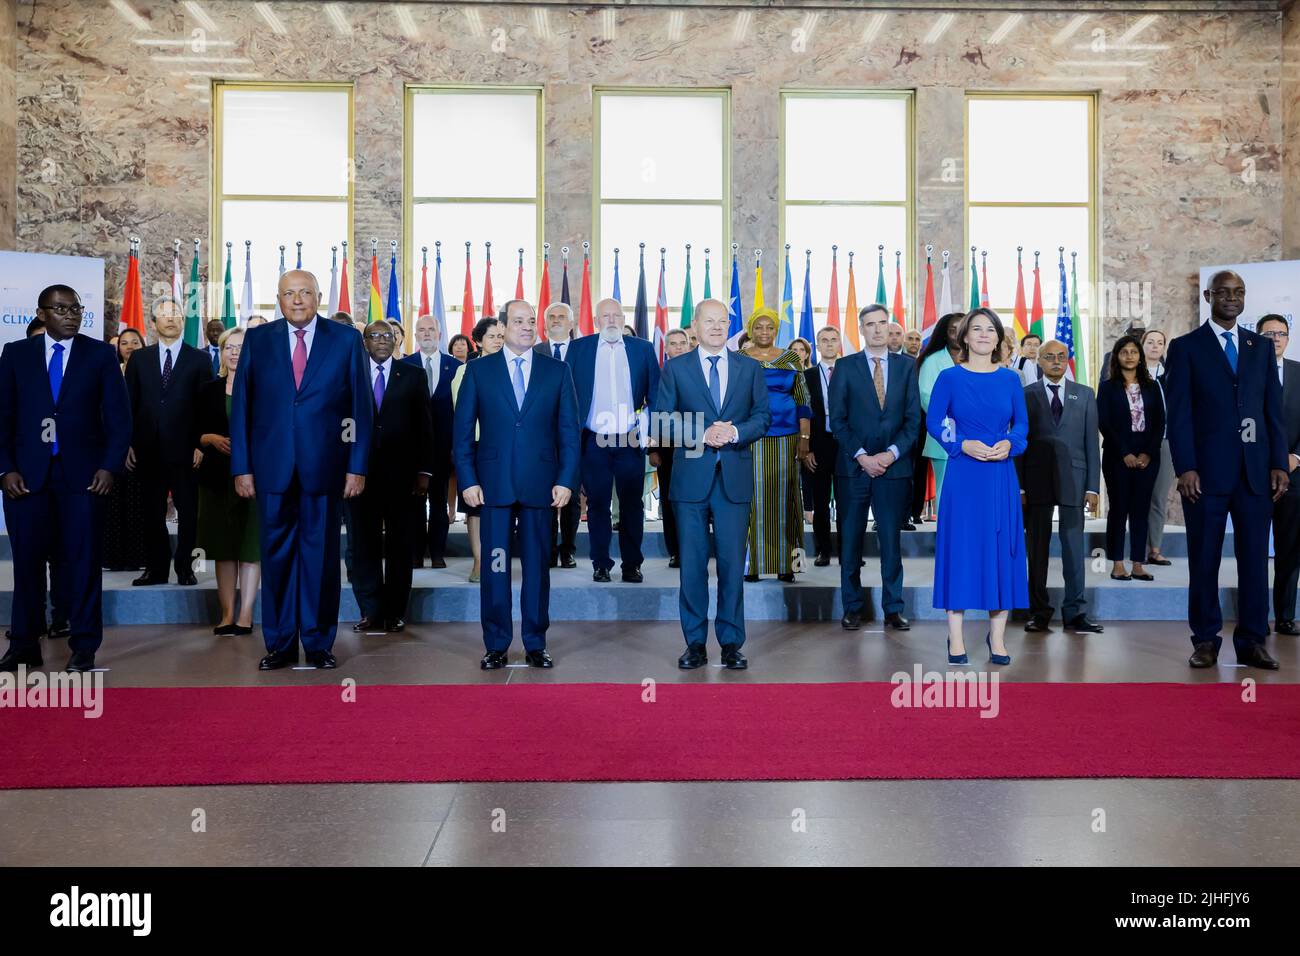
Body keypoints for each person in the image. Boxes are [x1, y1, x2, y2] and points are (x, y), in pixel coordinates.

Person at [230, 269, 372, 671]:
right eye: (289, 293)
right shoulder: (258, 340)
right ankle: (278, 643)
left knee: (320, 560)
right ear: (278, 299)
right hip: (271, 469)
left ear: (318, 296)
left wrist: (356, 466)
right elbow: (241, 409)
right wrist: (241, 467)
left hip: (326, 470)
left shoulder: (345, 340)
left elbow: (361, 408)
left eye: (305, 293)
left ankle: (317, 642)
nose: (297, 300)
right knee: (275, 560)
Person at [0, 284, 130, 673]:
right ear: (42, 314)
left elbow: (120, 419)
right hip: (27, 479)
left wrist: (109, 466)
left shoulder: (100, 355)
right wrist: (5, 468)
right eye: (61, 308)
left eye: (76, 308)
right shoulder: (16, 354)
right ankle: (23, 644)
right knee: (26, 563)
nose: (71, 314)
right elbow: (2, 418)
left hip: (85, 479)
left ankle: (84, 647)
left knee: (83, 563)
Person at [1165, 271, 1287, 669]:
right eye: (1223, 293)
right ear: (1208, 296)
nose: (1232, 299)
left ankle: (1252, 640)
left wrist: (1278, 463)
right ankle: (1204, 640)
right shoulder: (1185, 348)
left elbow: (1273, 412)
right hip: (1205, 477)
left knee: (1254, 560)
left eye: (1239, 293)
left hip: (1255, 475)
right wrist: (1186, 467)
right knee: (1205, 560)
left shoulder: (1259, 347)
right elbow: (1179, 414)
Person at [453, 299, 579, 669]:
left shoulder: (557, 371)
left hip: (543, 486)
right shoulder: (479, 371)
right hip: (492, 487)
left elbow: (569, 433)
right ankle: (496, 643)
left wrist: (566, 479)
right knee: (494, 568)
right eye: (518, 321)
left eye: (530, 321)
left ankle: (536, 642)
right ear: (504, 327)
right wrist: (468, 480)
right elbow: (461, 435)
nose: (526, 327)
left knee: (538, 568)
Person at [653, 299, 770, 670]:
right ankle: (695, 643)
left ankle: (732, 643)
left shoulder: (749, 368)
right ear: (695, 326)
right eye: (710, 321)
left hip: (733, 480)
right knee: (692, 566)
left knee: (733, 566)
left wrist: (734, 431)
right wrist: (702, 433)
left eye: (723, 321)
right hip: (690, 480)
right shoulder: (676, 368)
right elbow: (662, 420)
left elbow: (762, 417)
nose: (717, 327)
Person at [926, 307, 1029, 666]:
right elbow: (935, 422)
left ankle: (997, 638)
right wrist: (959, 445)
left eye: (991, 329)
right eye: (977, 329)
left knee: (1001, 551)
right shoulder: (949, 378)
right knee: (962, 550)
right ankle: (955, 638)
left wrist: (1010, 444)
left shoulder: (1011, 379)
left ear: (999, 339)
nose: (984, 334)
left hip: (1000, 475)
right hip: (964, 475)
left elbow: (1022, 428)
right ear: (965, 337)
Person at [830, 305, 920, 632]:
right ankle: (852, 607)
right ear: (862, 329)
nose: (878, 329)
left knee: (890, 542)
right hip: (854, 469)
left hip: (894, 470)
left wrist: (890, 455)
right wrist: (863, 457)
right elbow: (837, 421)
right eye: (871, 324)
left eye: (883, 323)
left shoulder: (908, 367)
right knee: (850, 541)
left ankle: (893, 609)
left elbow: (913, 421)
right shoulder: (845, 366)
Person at [350, 321, 435, 633]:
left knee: (400, 546)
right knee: (364, 546)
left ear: (397, 340)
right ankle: (371, 611)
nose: (382, 340)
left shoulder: (413, 375)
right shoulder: (353, 374)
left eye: (388, 335)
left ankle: (396, 611)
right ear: (365, 342)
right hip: (360, 476)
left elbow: (425, 427)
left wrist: (424, 471)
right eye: (374, 336)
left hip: (403, 477)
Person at [567, 298, 659, 583]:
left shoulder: (642, 349)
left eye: (616, 315)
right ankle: (601, 564)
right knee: (597, 504)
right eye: (604, 315)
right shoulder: (579, 349)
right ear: (596, 320)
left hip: (630, 439)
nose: (611, 320)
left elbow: (655, 395)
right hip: (593, 440)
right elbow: (567, 396)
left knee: (632, 505)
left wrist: (653, 436)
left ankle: (632, 564)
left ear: (623, 318)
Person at [124, 295, 214, 587]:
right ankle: (156, 568)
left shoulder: (199, 359)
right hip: (146, 449)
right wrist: (127, 443)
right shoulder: (139, 358)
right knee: (151, 513)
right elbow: (129, 403)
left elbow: (206, 406)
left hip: (187, 450)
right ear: (153, 322)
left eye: (176, 313)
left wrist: (201, 444)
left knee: (189, 512)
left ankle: (185, 568)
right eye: (164, 314)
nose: (171, 318)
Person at [1018, 339, 1103, 634]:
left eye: (1062, 356)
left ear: (1068, 360)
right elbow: (1020, 444)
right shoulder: (1026, 394)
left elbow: (1092, 443)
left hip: (1075, 479)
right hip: (1036, 480)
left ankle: (1076, 612)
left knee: (1073, 547)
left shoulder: (1085, 394)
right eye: (1050, 357)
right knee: (1037, 550)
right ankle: (1039, 612)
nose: (1056, 361)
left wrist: (1093, 487)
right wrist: (1020, 488)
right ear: (1038, 361)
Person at [196, 327, 260, 635]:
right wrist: (207, 437)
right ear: (221, 353)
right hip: (216, 479)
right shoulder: (208, 389)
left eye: (240, 347)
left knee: (250, 548)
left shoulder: (262, 388)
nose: (234, 352)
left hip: (254, 479)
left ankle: (245, 615)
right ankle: (226, 615)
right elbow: (190, 429)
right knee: (223, 549)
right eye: (228, 347)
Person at [740, 307, 811, 583]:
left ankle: (788, 565)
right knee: (752, 500)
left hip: (788, 437)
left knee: (788, 498)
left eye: (770, 327)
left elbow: (803, 401)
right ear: (751, 329)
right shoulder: (740, 359)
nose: (765, 332)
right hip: (751, 437)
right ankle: (752, 565)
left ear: (777, 330)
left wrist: (805, 438)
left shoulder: (791, 358)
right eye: (759, 327)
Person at [1098, 334, 1165, 582]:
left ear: (1140, 356)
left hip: (1148, 455)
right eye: (1124, 352)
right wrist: (1124, 452)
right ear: (1117, 356)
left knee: (1141, 510)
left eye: (1133, 352)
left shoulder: (1152, 385)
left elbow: (1160, 422)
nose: (1129, 356)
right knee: (1119, 509)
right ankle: (1117, 563)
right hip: (1118, 455)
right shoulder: (1107, 387)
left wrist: (1148, 452)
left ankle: (1138, 563)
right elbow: (1104, 421)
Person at [403, 314, 461, 569]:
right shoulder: (405, 365)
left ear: (439, 334)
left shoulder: (455, 367)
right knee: (414, 504)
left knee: (439, 502)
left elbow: (461, 411)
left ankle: (437, 554)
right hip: (413, 450)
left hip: (443, 448)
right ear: (415, 335)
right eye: (421, 330)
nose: (426, 334)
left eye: (430, 330)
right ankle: (416, 554)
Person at [450, 317, 505, 582]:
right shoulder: (467, 371)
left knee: (502, 504)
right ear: (479, 340)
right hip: (476, 446)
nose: (497, 341)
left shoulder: (512, 367)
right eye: (492, 336)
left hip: (504, 448)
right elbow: (462, 415)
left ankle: (499, 559)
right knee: (475, 508)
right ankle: (479, 561)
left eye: (501, 336)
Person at [1258, 314, 1300, 635]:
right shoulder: (1242, 375)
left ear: (1288, 338)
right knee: (1254, 548)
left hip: (1295, 474)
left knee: (1290, 548)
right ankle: (1256, 615)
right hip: (1255, 475)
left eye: (1281, 333)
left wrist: (1295, 456)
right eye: (1269, 333)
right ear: (1257, 337)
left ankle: (1285, 615)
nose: (1275, 338)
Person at [534, 302, 579, 567]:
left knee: (570, 495)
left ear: (571, 323)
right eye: (551, 316)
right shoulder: (535, 351)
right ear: (545, 322)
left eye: (562, 316)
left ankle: (568, 549)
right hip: (542, 438)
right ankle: (548, 549)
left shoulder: (583, 352)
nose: (557, 320)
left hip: (574, 435)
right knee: (545, 495)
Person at [102, 327, 148, 574]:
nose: (129, 347)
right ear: (117, 349)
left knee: (139, 504)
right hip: (115, 448)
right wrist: (122, 444)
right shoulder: (110, 372)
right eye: (124, 343)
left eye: (135, 342)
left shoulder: (151, 372)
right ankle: (114, 557)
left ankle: (138, 556)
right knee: (114, 504)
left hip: (145, 447)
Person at [650, 328, 691, 567]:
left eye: (681, 343)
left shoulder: (700, 372)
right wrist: (652, 449)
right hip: (666, 450)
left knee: (695, 500)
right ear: (667, 349)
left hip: (697, 446)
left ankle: (694, 549)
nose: (677, 347)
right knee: (669, 499)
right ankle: (675, 551)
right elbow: (654, 411)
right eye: (673, 344)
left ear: (689, 345)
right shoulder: (659, 375)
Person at [918, 312, 964, 512]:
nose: (957, 334)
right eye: (952, 330)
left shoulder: (979, 359)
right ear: (945, 334)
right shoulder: (933, 360)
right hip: (943, 434)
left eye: (961, 329)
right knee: (947, 492)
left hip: (977, 436)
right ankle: (946, 538)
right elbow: (926, 396)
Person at [803, 325, 841, 566]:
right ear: (818, 345)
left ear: (839, 344)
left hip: (846, 445)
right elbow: (803, 414)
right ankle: (823, 550)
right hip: (819, 445)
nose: (828, 344)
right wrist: (805, 448)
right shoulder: (806, 376)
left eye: (833, 340)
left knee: (848, 502)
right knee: (820, 500)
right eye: (824, 340)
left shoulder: (851, 372)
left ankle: (849, 553)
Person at [1140, 328, 1174, 566]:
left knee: (1158, 497)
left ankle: (1155, 548)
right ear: (1142, 346)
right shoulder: (1130, 375)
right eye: (1150, 342)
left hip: (1165, 442)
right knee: (1139, 497)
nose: (1154, 346)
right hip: (1139, 444)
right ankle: (1138, 550)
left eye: (1159, 343)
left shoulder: (1172, 375)